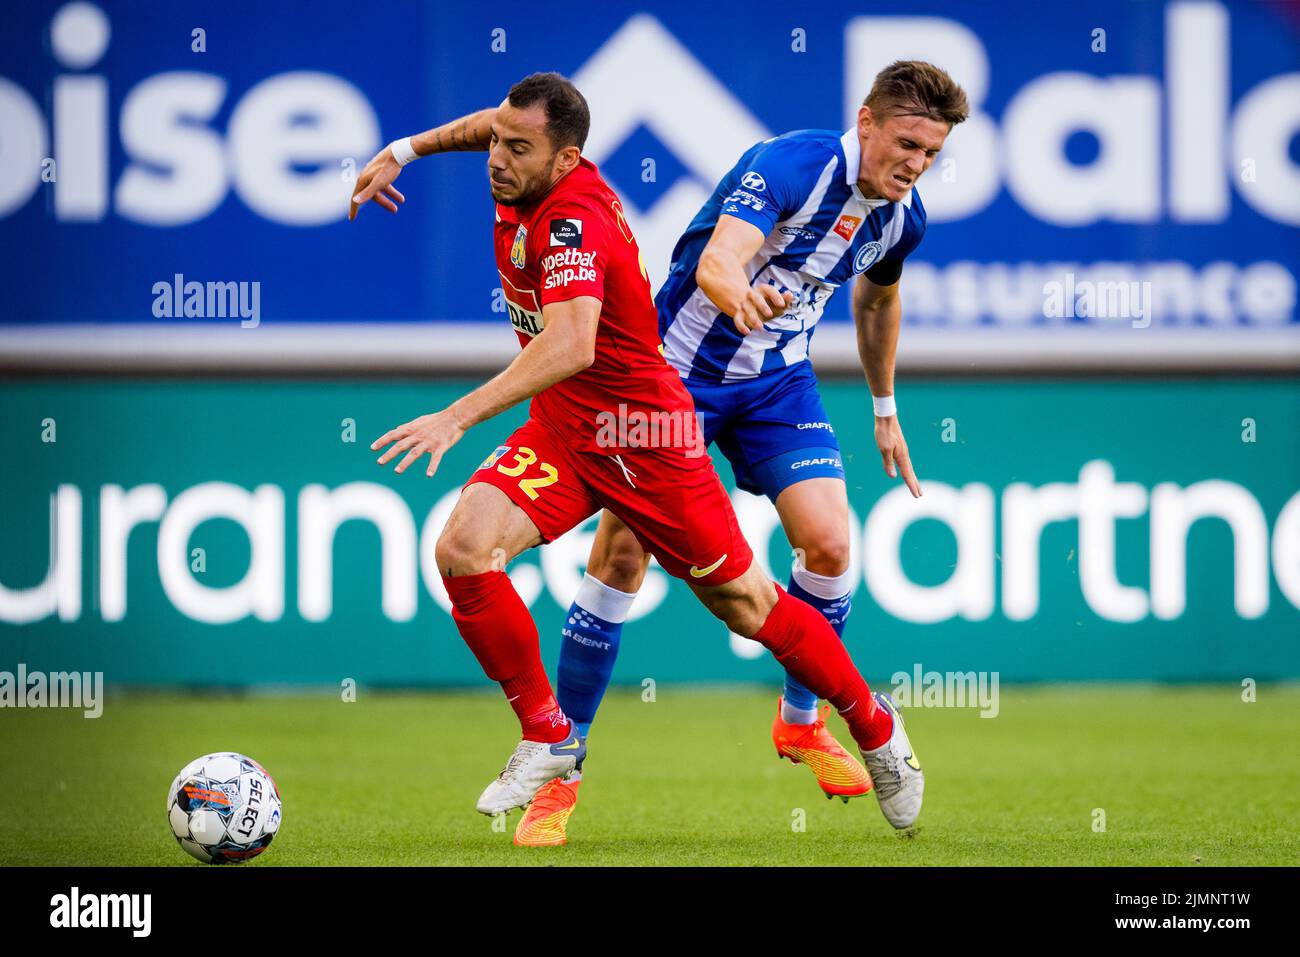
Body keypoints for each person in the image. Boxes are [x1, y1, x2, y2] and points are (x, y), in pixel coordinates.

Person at [350, 72, 923, 846]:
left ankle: (870, 724)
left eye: (517, 148)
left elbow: (572, 342)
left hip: (647, 433)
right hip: (572, 422)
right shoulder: (526, 164)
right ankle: (553, 742)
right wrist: (404, 148)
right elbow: (497, 125)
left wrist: (455, 416)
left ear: (565, 159)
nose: (496, 158)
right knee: (463, 548)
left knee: (749, 600)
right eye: (498, 142)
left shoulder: (572, 221)